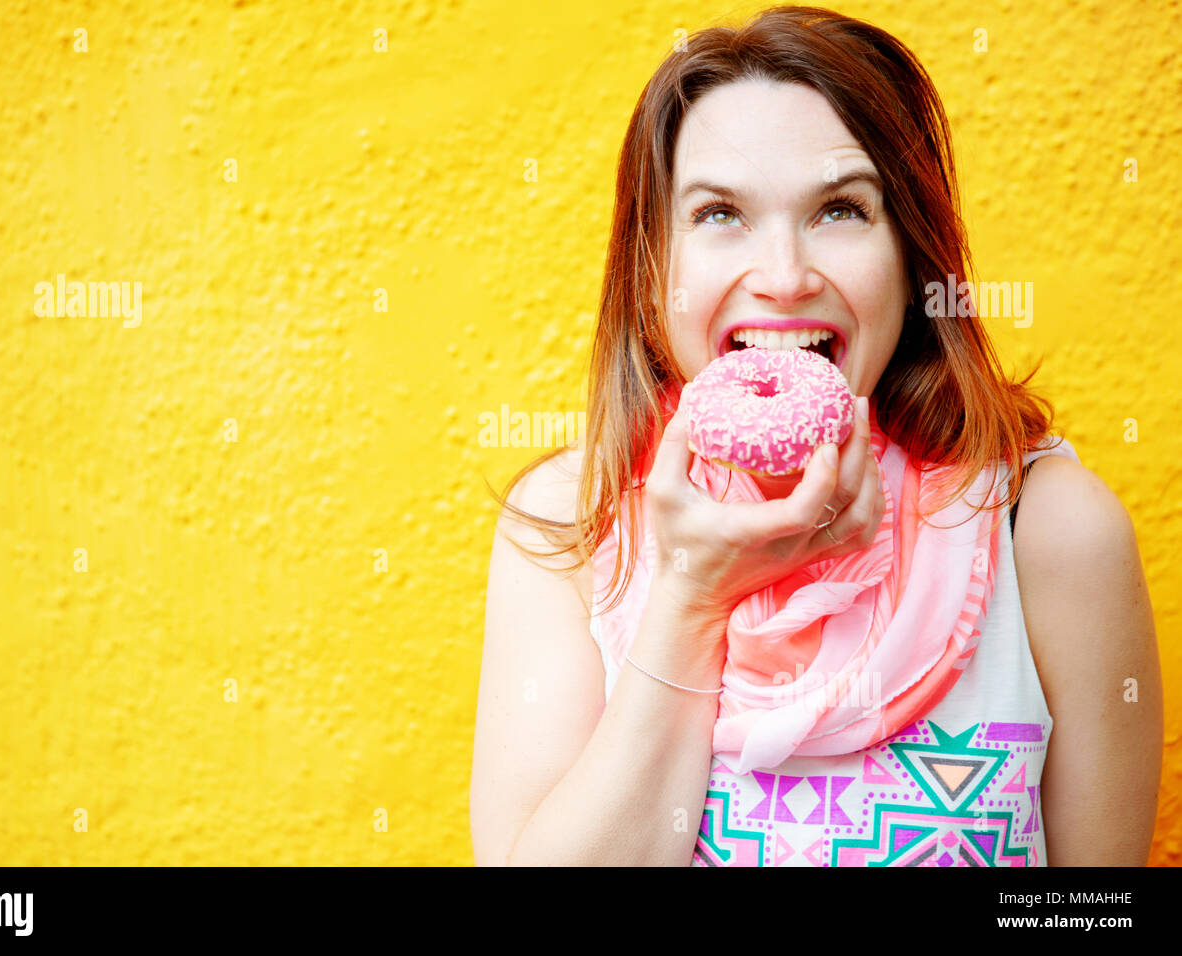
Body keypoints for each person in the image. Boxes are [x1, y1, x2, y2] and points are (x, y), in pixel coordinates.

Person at [469, 5, 1162, 866]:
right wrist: (691, 602)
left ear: (914, 258)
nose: (786, 278)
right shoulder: (573, 527)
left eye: (841, 210)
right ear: (654, 270)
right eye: (720, 212)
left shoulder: (1048, 529)